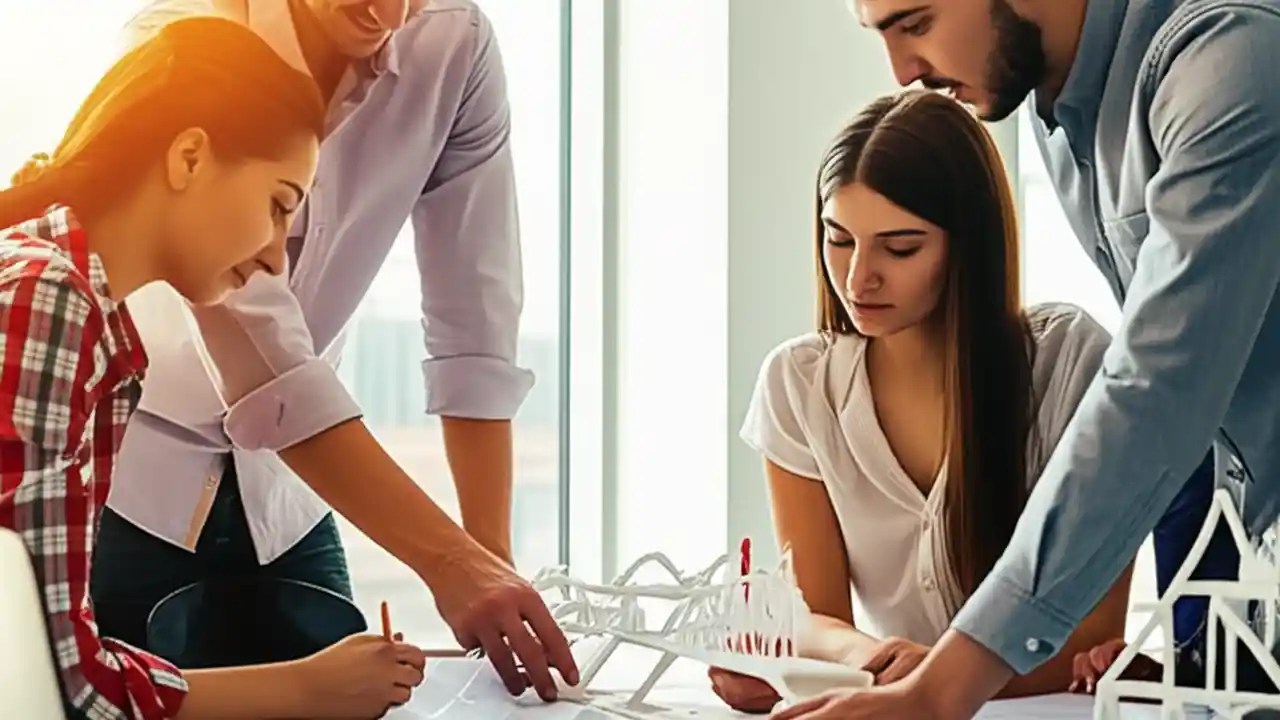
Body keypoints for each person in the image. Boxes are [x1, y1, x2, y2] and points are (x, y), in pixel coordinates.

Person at [770, 0, 1280, 717]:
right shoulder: (1056, 118)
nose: (902, 72)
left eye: (915, 23)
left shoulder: (1228, 58)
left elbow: (1162, 391)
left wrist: (940, 688)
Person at [86, 0, 580, 701]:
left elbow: (476, 321)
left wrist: (487, 562)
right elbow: (262, 354)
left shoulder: (453, 45)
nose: (388, 11)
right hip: (135, 491)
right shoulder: (184, 45)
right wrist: (450, 562)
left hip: (292, 502)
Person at [0, 17, 427, 719]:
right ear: (190, 157)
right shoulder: (49, 299)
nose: (276, 259)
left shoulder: (80, 311)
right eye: (278, 205)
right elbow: (65, 687)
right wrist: (308, 688)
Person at [707, 90, 1132, 715]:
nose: (858, 278)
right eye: (838, 239)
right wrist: (865, 662)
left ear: (968, 246)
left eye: (900, 247)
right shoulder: (798, 385)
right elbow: (816, 615)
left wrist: (934, 679)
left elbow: (1093, 641)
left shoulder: (1066, 362)